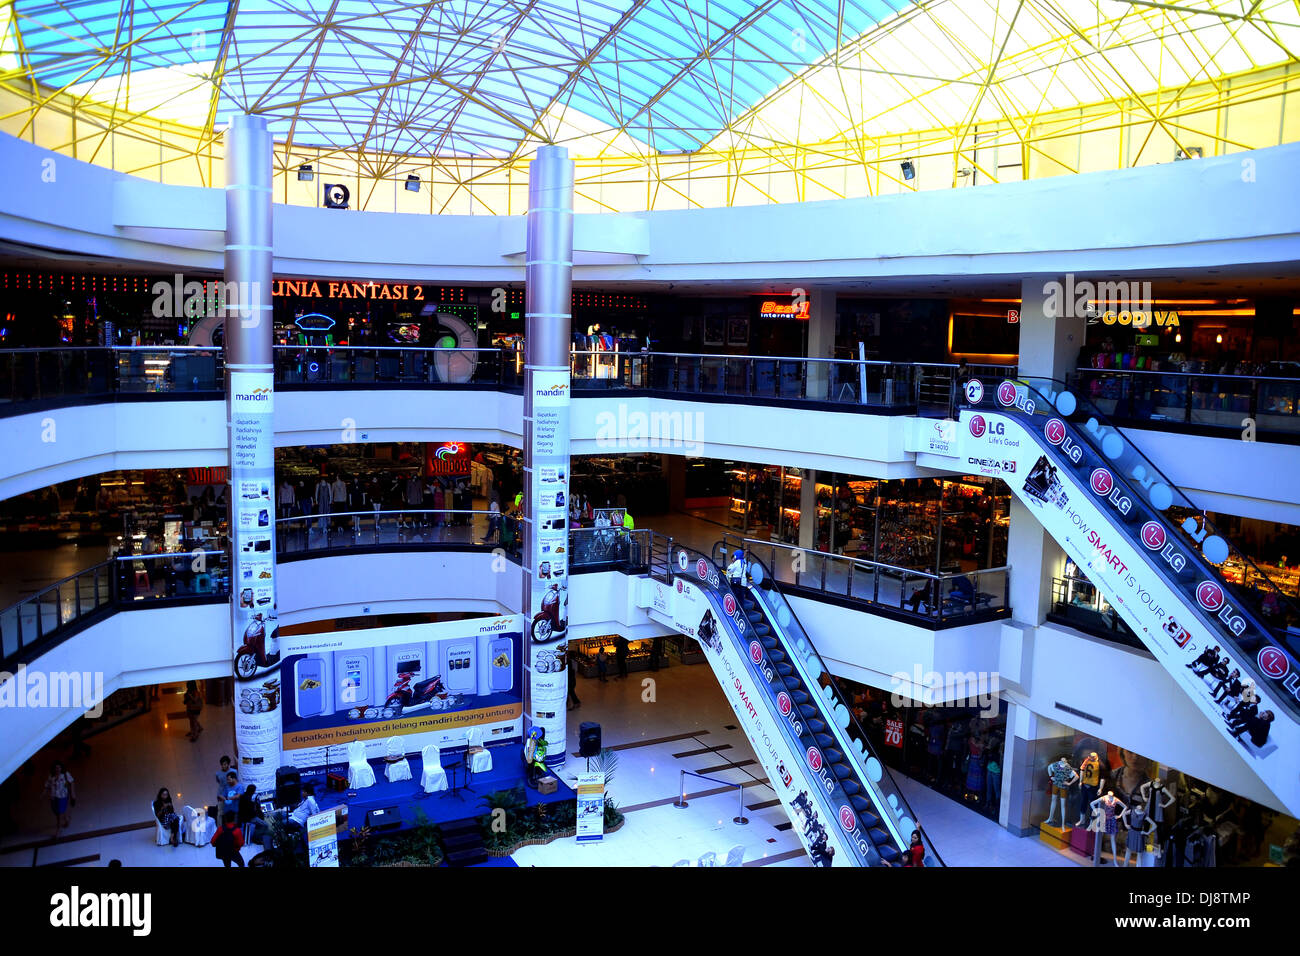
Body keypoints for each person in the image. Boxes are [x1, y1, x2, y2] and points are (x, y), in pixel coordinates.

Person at [44, 762, 75, 838]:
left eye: (59, 767)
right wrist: (43, 793)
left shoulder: (65, 774)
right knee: (57, 811)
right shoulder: (51, 776)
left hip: (63, 796)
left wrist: (73, 793)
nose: (57, 769)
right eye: (56, 768)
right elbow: (47, 785)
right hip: (54, 797)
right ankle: (66, 820)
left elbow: (72, 782)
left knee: (59, 813)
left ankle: (58, 829)